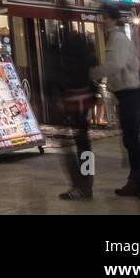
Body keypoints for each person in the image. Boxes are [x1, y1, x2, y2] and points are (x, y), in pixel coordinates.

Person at [91, 7, 140, 199]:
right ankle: (135, 182)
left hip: (131, 93)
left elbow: (115, 65)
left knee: (132, 140)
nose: (100, 21)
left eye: (104, 17)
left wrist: (91, 73)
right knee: (133, 139)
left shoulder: (117, 38)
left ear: (113, 19)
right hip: (129, 93)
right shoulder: (118, 38)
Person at [52, 23, 98, 200]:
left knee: (72, 144)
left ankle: (80, 185)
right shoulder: (84, 51)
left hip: (71, 102)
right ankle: (87, 184)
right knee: (84, 145)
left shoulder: (66, 53)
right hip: (84, 100)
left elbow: (62, 76)